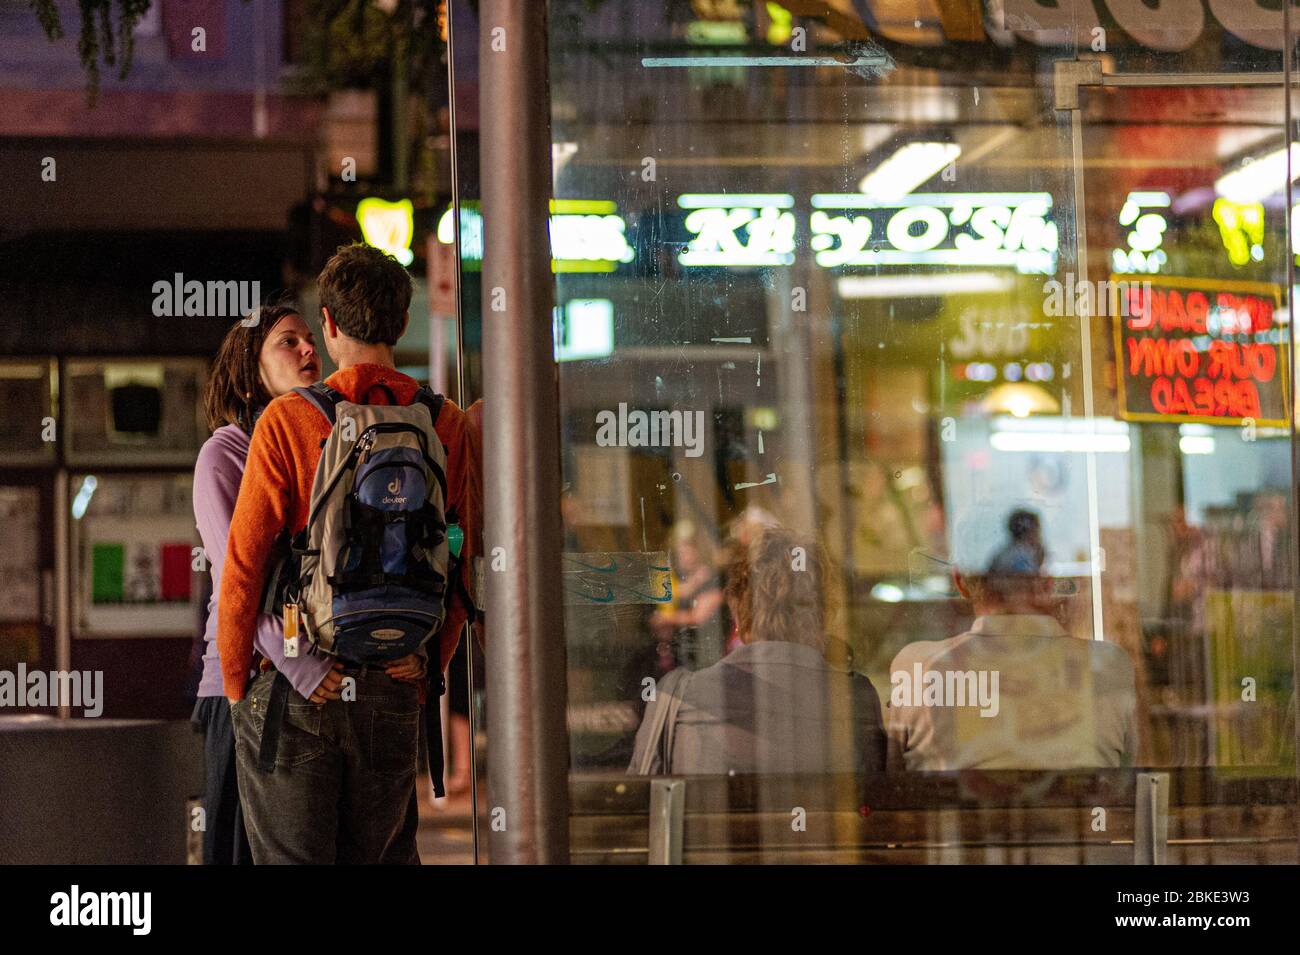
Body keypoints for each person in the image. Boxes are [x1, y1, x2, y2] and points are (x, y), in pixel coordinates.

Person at [217, 244, 480, 864]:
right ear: (404, 323)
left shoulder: (288, 421)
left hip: (298, 687)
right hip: (392, 681)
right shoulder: (445, 424)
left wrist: (238, 684)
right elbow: (460, 557)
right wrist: (426, 664)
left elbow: (243, 569)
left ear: (329, 325)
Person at [191, 304, 331, 865]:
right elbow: (235, 581)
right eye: (287, 342)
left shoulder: (319, 443)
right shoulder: (225, 453)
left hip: (308, 678)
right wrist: (302, 661)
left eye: (310, 339)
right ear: (252, 371)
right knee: (238, 850)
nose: (307, 349)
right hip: (246, 683)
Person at [887, 513, 1137, 771]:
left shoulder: (917, 667)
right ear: (1046, 582)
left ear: (961, 582)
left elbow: (893, 788)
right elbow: (1138, 783)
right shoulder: (1109, 665)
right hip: (1084, 813)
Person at [629, 525, 886, 775]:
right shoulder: (856, 698)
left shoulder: (679, 697)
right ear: (826, 615)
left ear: (737, 613)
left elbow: (639, 802)